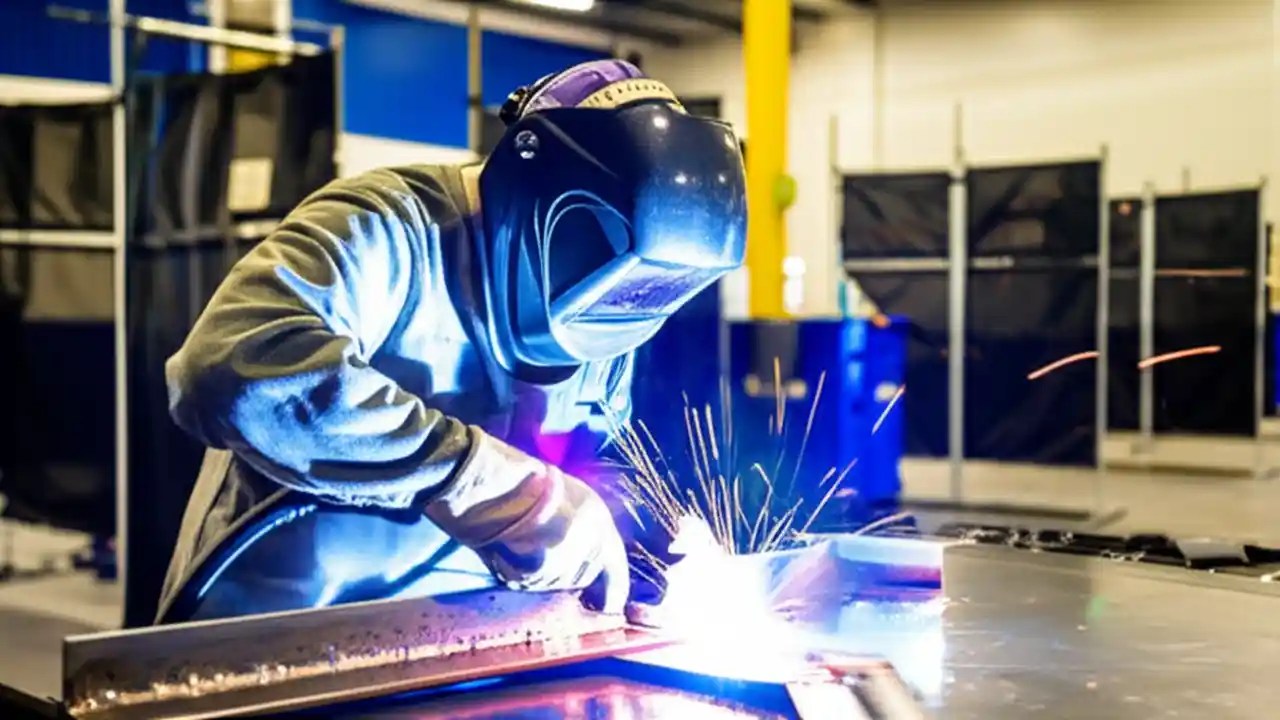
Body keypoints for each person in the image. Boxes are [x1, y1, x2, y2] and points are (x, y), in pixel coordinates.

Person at [154, 59, 747, 623]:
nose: (626, 308)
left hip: (454, 645)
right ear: (538, 202)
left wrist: (633, 522)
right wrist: (478, 481)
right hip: (271, 634)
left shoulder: (615, 301)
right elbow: (228, 369)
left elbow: (579, 462)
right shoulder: (386, 224)